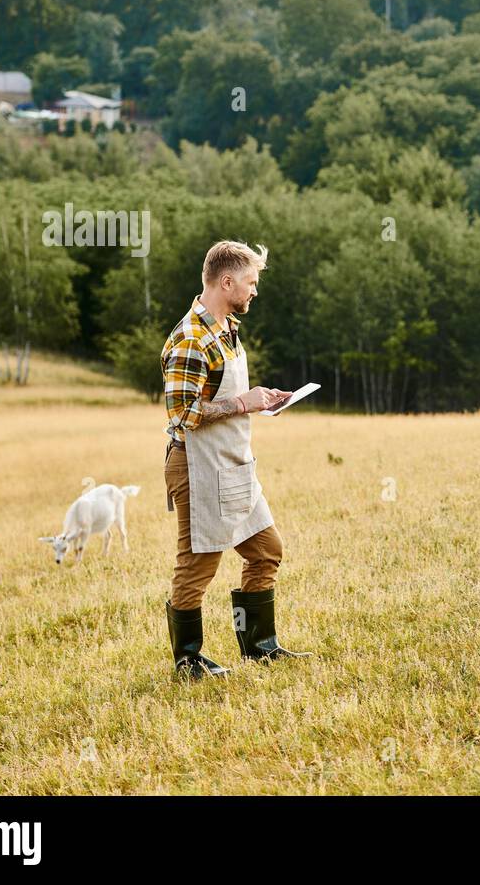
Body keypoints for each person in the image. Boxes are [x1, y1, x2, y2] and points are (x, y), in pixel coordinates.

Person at [159, 240, 309, 678]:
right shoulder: (190, 339)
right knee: (197, 563)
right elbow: (183, 413)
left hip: (233, 463)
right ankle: (188, 661)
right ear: (227, 282)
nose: (254, 291)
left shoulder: (225, 327)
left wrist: (262, 399)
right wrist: (244, 403)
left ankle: (260, 646)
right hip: (197, 466)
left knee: (266, 551)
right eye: (250, 282)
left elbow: (222, 393)